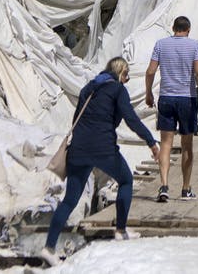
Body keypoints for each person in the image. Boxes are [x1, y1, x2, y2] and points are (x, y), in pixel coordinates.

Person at [41, 57, 160, 266]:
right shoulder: (117, 89)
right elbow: (131, 119)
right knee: (125, 180)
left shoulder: (89, 87)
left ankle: (49, 247)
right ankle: (121, 230)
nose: (127, 80)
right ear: (121, 73)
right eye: (127, 75)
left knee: (70, 199)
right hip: (103, 148)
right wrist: (151, 141)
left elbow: (77, 117)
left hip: (78, 148)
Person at [145, 15, 198, 202]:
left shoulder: (161, 44)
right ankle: (185, 189)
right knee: (187, 145)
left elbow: (150, 71)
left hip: (166, 98)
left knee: (165, 144)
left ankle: (164, 186)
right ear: (188, 30)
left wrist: (149, 93)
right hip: (186, 99)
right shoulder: (194, 46)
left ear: (173, 28)